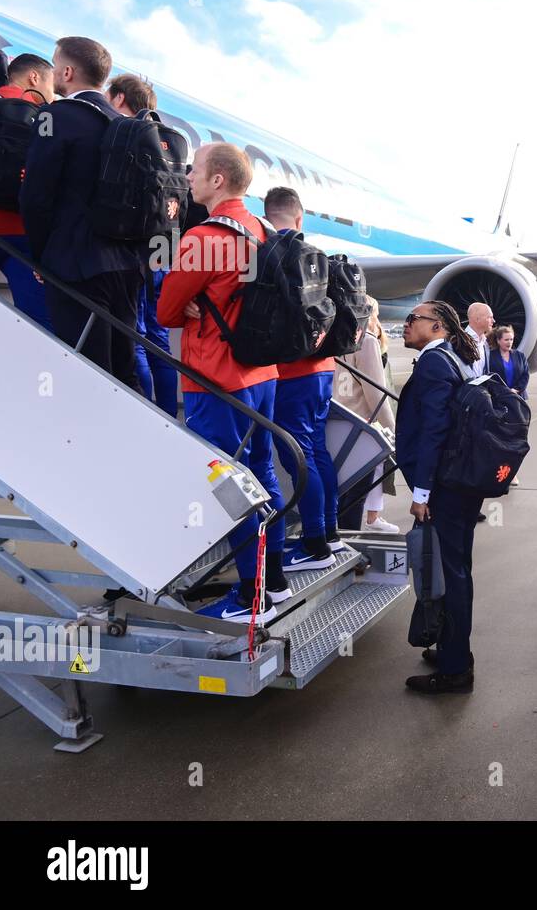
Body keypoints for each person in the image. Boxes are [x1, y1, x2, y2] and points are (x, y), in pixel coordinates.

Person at [156, 143, 287, 623]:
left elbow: (166, 310)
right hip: (263, 374)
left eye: (196, 170)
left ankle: (251, 597)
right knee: (262, 473)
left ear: (218, 181)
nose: (188, 176)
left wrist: (191, 305)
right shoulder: (262, 229)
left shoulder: (205, 237)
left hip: (216, 376)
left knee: (230, 487)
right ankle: (272, 581)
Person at [20, 36, 149, 388]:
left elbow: (36, 195)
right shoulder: (123, 125)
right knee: (123, 372)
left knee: (83, 372)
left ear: (67, 70)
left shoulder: (56, 116)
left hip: (75, 264)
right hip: (125, 266)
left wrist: (42, 258)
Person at [400, 301, 486, 695]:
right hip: (461, 485)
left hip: (444, 490)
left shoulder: (435, 363)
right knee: (457, 569)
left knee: (452, 575)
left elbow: (435, 430)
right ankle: (456, 650)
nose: (405, 325)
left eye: (412, 319)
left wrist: (421, 493)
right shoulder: (455, 356)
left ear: (435, 326)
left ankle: (455, 671)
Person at [263, 186, 343, 571]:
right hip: (323, 367)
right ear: (299, 218)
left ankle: (314, 543)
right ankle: (329, 532)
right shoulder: (316, 257)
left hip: (290, 372)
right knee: (316, 449)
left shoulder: (269, 253)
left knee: (297, 456)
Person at [104, 74, 179, 418]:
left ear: (119, 99)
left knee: (135, 337)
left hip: (136, 252)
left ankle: (145, 415)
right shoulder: (170, 141)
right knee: (159, 343)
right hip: (164, 251)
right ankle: (166, 415)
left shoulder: (128, 133)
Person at [0, 52, 54, 331]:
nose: (52, 93)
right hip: (25, 236)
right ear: (35, 77)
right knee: (38, 327)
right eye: (51, 84)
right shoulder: (48, 120)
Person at [335, 300, 399, 533]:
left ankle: (335, 541)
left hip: (333, 423)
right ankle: (350, 548)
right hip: (360, 429)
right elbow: (376, 397)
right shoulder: (366, 341)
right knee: (354, 498)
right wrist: (392, 430)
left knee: (337, 496)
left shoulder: (332, 336)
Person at [486, 323, 530, 399]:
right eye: (506, 340)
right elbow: (490, 377)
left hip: (518, 396)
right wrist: (505, 392)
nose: (509, 342)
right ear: (498, 341)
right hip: (499, 397)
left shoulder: (520, 356)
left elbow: (525, 375)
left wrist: (516, 389)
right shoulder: (490, 356)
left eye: (511, 339)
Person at [465, 302, 494, 378]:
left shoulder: (485, 343)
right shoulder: (458, 341)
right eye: (490, 317)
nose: (493, 321)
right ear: (477, 319)